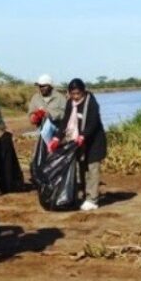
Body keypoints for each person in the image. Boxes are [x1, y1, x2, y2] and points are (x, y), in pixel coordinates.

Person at [48, 78, 107, 211]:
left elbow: (93, 122)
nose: (75, 97)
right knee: (82, 168)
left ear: (83, 92)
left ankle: (93, 199)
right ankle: (85, 194)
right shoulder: (70, 103)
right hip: (79, 142)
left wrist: (83, 135)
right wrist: (57, 138)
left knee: (92, 168)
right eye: (72, 94)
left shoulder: (91, 103)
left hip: (94, 142)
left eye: (77, 94)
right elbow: (65, 121)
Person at [28, 74, 67, 184]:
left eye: (44, 86)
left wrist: (50, 113)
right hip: (41, 133)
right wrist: (35, 117)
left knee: (57, 156)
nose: (41, 88)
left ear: (50, 86)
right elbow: (31, 115)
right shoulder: (35, 98)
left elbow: (66, 115)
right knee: (38, 156)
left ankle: (58, 178)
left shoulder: (60, 98)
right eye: (40, 86)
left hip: (57, 132)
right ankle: (40, 180)